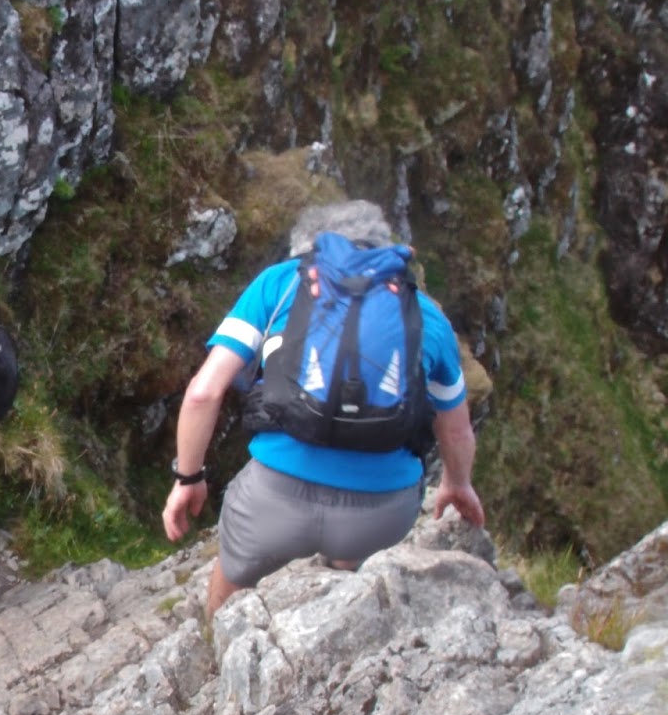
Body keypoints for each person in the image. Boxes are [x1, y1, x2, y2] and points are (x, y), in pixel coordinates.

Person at [162, 200, 486, 615]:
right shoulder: (426, 317)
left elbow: (203, 393)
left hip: (273, 501)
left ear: (310, 251)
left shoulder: (278, 285)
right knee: (351, 562)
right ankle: (343, 566)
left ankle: (218, 638)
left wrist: (188, 478)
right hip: (381, 513)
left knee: (232, 578)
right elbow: (456, 430)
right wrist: (457, 484)